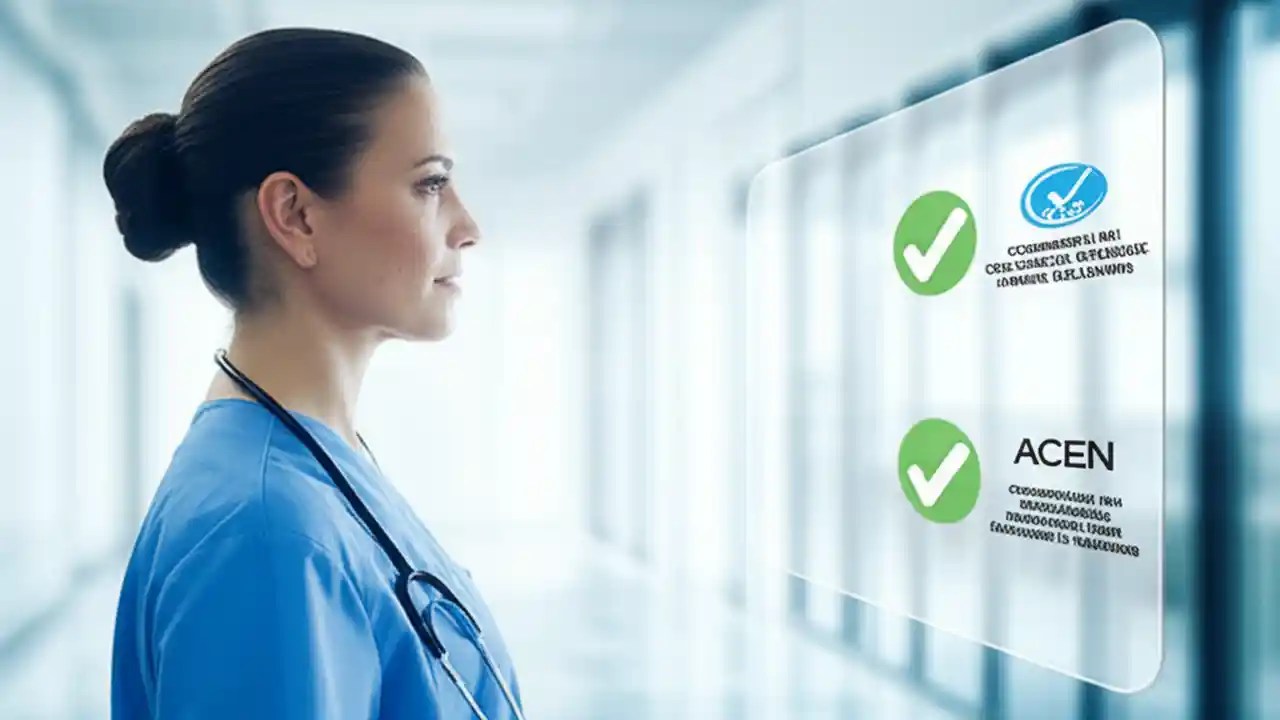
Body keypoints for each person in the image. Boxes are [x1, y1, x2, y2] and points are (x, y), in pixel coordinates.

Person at [104, 27, 523, 719]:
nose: (467, 225)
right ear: (295, 215)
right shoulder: (265, 534)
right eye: (431, 184)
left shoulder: (319, 464)